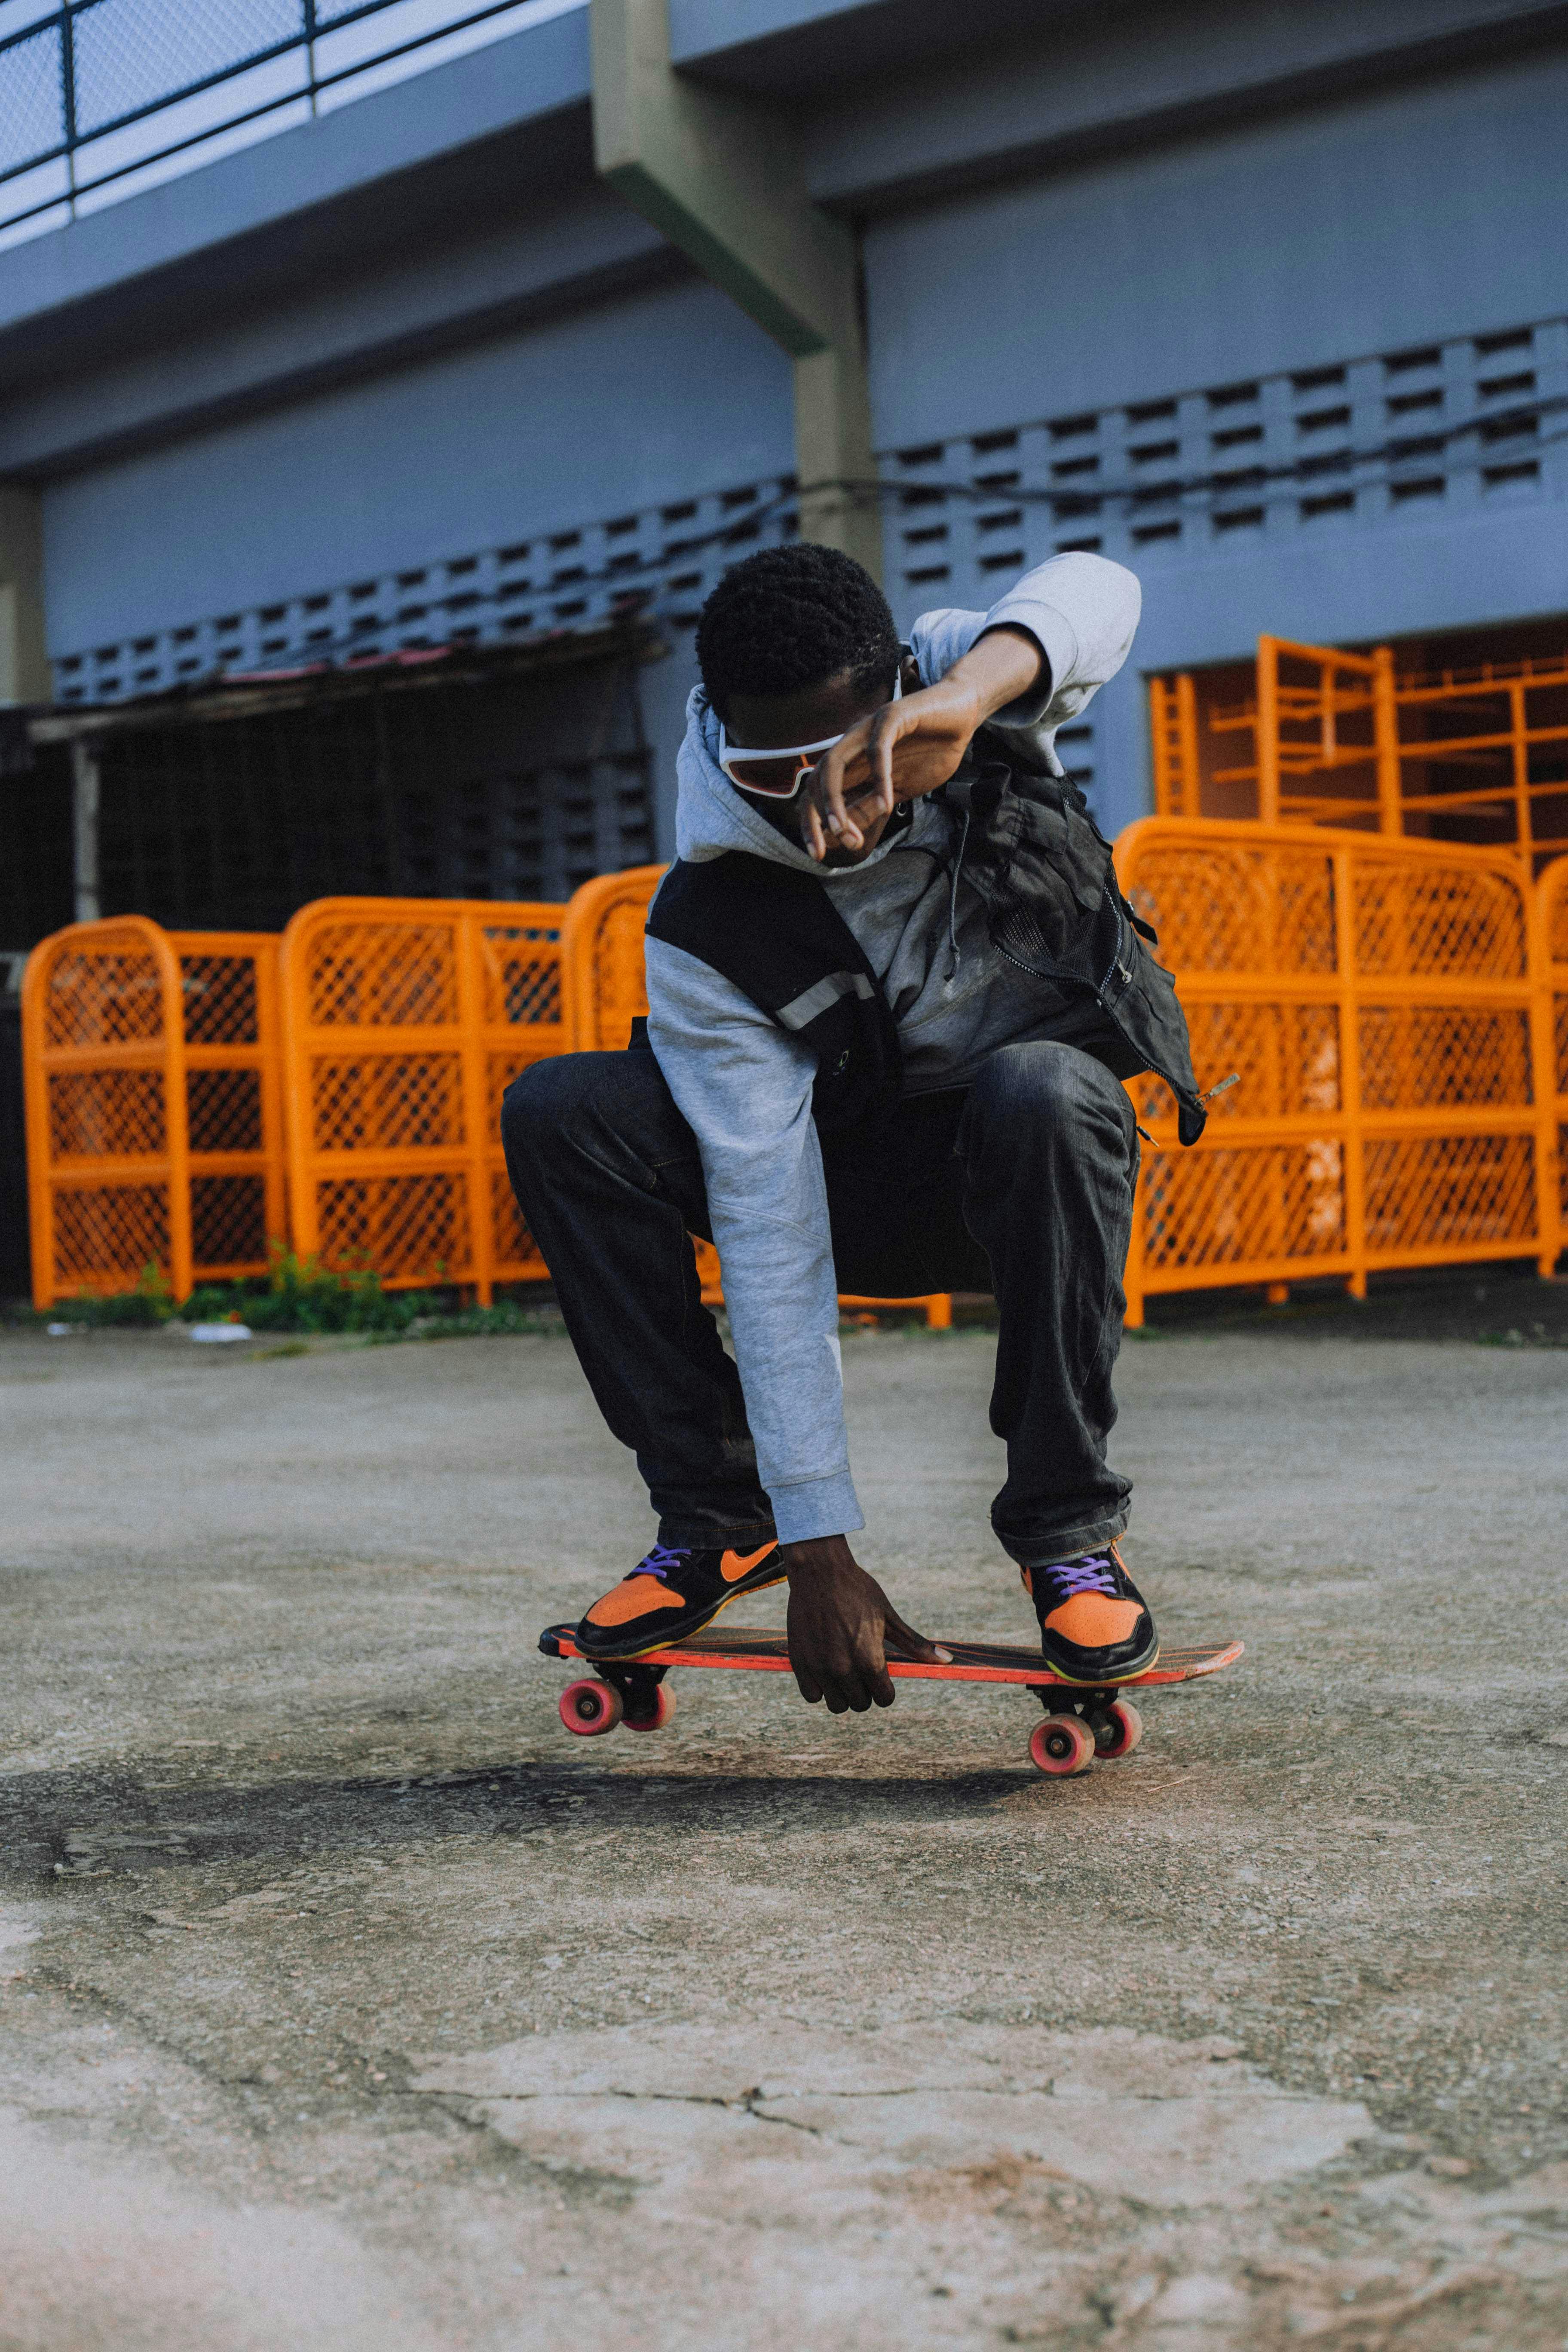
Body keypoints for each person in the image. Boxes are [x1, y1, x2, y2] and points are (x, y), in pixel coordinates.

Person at [503, 545, 1205, 1716]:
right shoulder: (710, 923)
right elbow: (766, 1220)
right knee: (566, 1110)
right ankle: (721, 1519)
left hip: (1024, 1177)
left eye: (844, 762)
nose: (814, 808)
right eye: (767, 770)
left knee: (1048, 1084)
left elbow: (1101, 587)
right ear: (719, 732)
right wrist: (817, 1541)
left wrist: (966, 700)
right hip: (842, 1190)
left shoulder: (961, 682)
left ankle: (1067, 1533)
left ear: (893, 700)